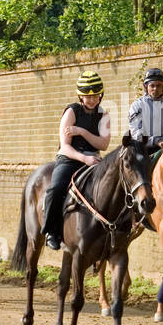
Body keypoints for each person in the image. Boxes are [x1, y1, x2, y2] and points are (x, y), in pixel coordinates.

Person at [42, 70, 110, 250]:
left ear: (100, 95)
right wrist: (83, 158)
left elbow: (103, 144)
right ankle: (51, 230)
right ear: (80, 96)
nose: (92, 100)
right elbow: (64, 146)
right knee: (56, 189)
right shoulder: (71, 112)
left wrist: (81, 132)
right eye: (87, 97)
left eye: (95, 96)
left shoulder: (103, 115)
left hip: (94, 159)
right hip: (70, 158)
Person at [127, 67, 163, 153]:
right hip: (143, 150)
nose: (155, 89)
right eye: (152, 86)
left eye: (158, 86)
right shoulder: (137, 106)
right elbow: (136, 133)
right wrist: (156, 141)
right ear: (146, 87)